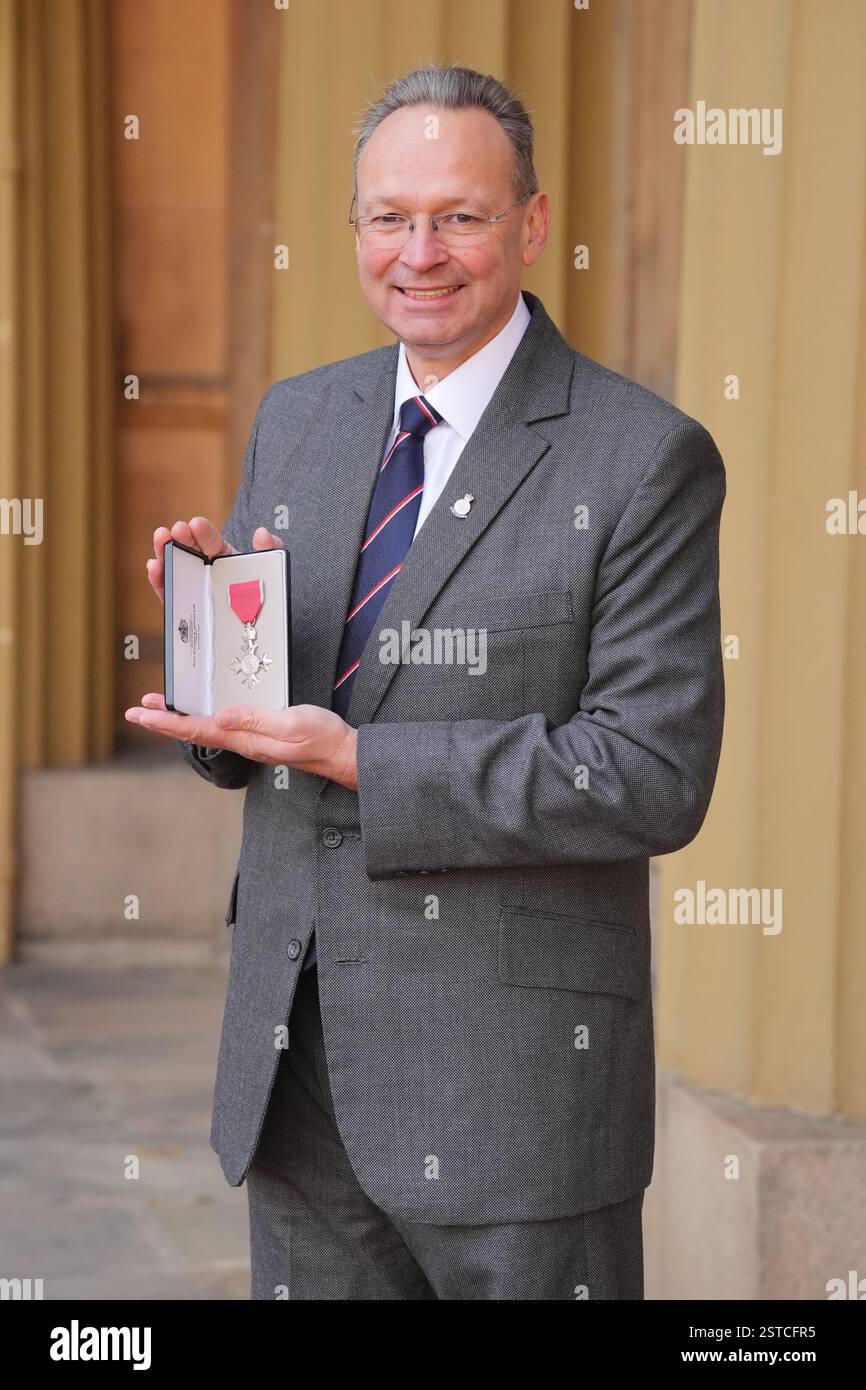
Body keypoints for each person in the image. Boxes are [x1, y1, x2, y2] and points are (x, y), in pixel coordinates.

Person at [128, 63, 726, 1300]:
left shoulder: (642, 457)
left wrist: (363, 758)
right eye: (388, 217)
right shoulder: (302, 418)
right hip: (296, 1072)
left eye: (457, 215)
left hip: (514, 1098)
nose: (421, 252)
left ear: (529, 224)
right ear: (353, 228)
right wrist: (209, 644)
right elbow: (256, 726)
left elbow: (649, 774)